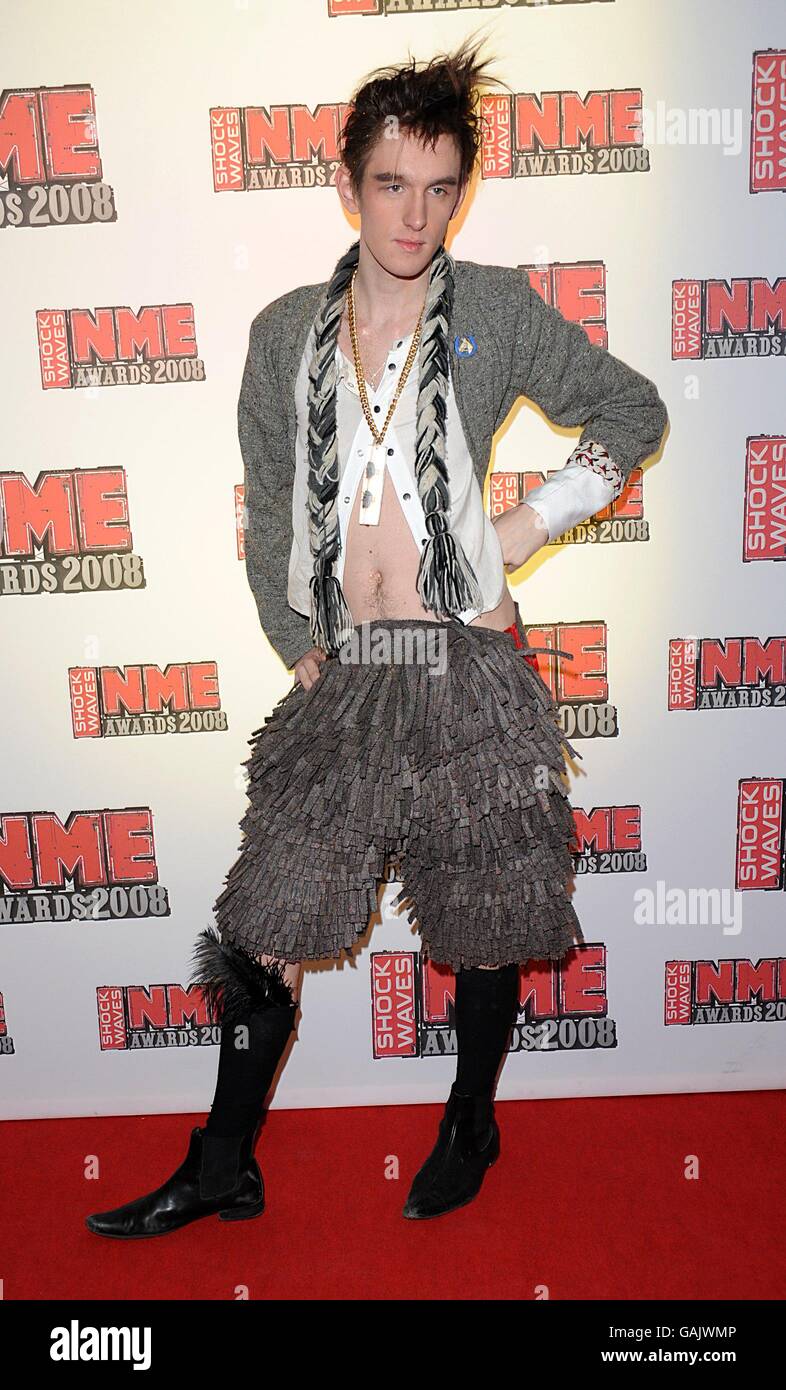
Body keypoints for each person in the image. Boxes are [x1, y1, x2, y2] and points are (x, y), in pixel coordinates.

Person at [85, 34, 668, 1238]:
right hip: (352, 675)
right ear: (346, 185)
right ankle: (222, 1161)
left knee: (486, 919)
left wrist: (522, 526)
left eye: (441, 186)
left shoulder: (493, 309)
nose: (416, 214)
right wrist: (289, 632)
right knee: (267, 922)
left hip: (471, 668)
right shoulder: (283, 333)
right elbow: (267, 501)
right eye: (393, 183)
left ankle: (469, 1124)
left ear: (463, 189)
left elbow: (633, 409)